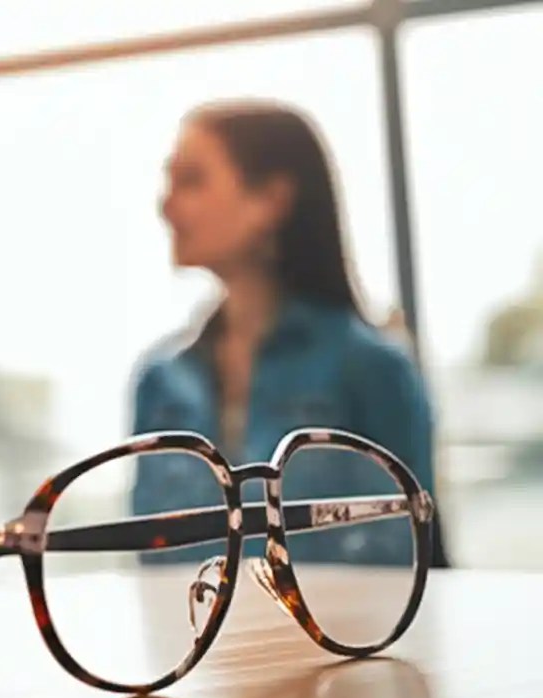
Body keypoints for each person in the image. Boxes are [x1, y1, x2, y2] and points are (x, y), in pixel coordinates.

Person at [130, 100, 446, 566]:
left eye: (192, 180)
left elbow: (412, 551)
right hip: (193, 639)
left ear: (271, 201)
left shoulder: (373, 369)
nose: (166, 204)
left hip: (332, 639)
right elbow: (150, 555)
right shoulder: (158, 380)